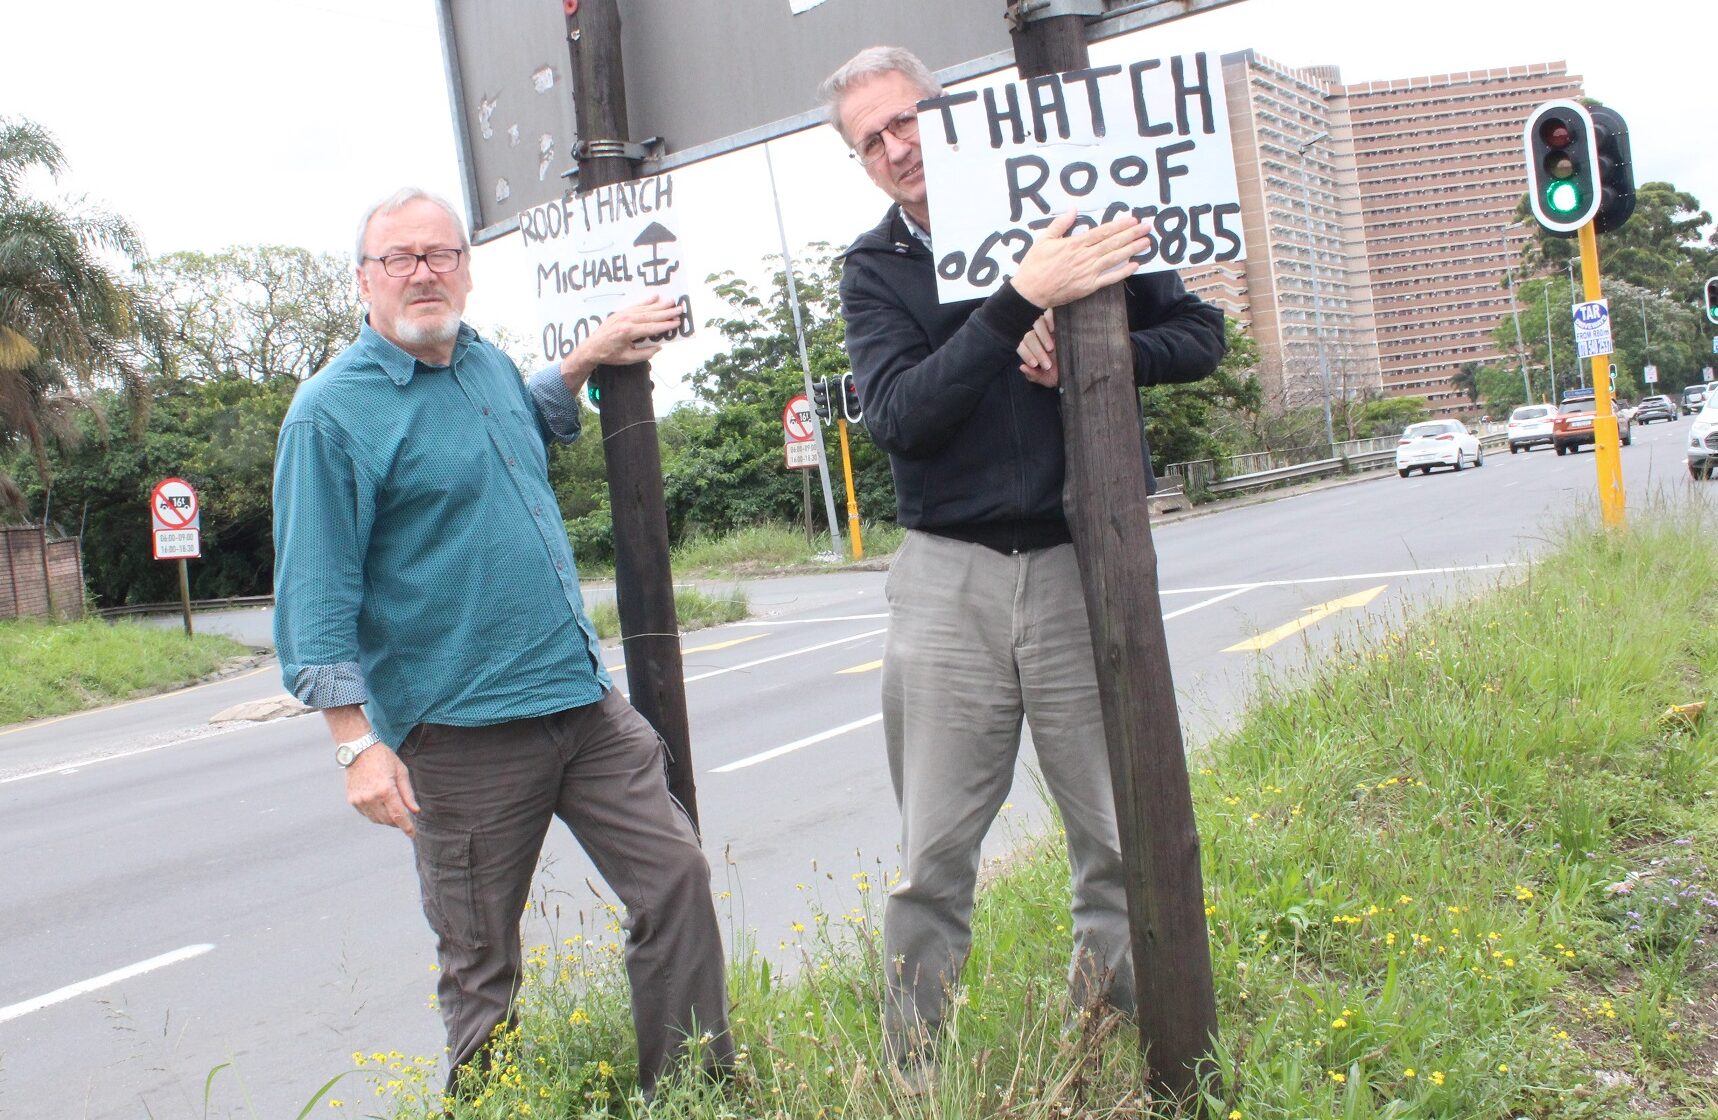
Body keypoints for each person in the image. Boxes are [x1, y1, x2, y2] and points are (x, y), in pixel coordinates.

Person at [818, 47, 1228, 1075]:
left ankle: (1108, 1050)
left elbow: (1200, 334)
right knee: (932, 859)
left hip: (1080, 563)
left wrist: (1098, 348)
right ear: (859, 162)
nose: (896, 147)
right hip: (946, 574)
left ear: (951, 111)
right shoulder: (874, 270)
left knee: (1117, 837)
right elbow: (900, 415)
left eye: (907, 119)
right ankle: (916, 1078)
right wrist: (1013, 305)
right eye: (870, 140)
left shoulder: (1075, 202)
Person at [272, 187, 731, 1099]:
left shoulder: (480, 364)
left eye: (440, 254)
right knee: (482, 967)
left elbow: (519, 420)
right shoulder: (331, 414)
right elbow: (315, 597)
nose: (422, 273)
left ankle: (692, 1095)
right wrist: (355, 745)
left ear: (468, 270)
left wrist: (585, 358)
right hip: (461, 735)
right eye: (398, 258)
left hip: (582, 705)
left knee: (675, 879)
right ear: (363, 279)